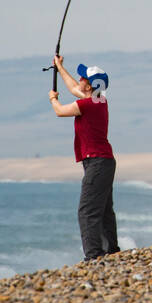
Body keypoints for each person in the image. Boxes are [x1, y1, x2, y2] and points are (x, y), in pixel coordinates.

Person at [49, 57, 119, 261]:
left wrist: (53, 98)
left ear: (89, 85)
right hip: (102, 162)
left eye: (83, 78)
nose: (79, 80)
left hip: (97, 163)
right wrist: (60, 67)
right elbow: (72, 88)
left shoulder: (89, 104)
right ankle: (111, 251)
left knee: (87, 211)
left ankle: (94, 255)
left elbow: (60, 111)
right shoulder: (98, 100)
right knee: (104, 210)